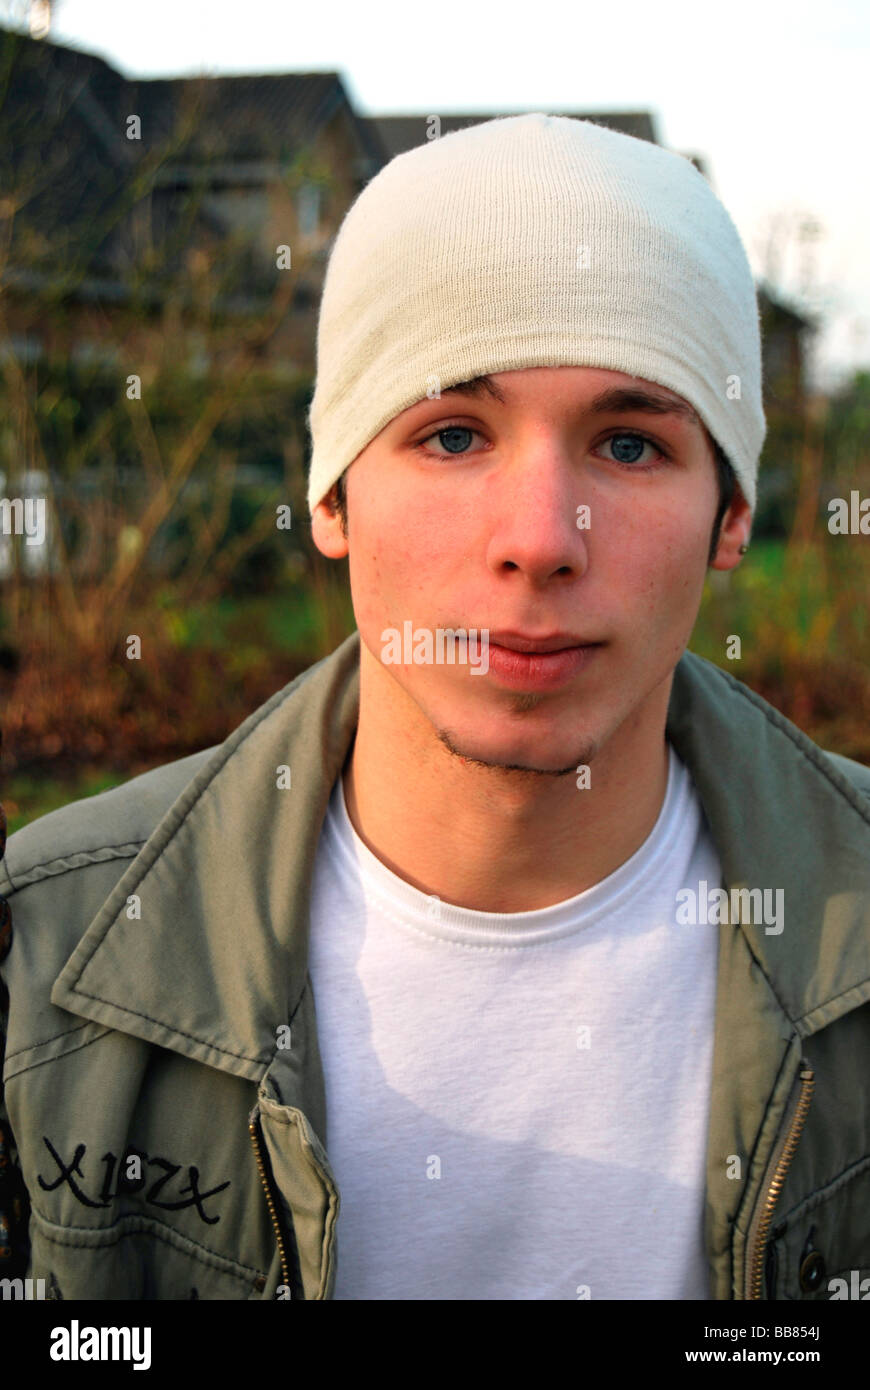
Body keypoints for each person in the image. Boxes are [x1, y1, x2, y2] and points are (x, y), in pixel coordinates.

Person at [1, 113, 869, 1302]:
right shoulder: (37, 960)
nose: (536, 541)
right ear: (332, 496)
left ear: (730, 516)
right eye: (452, 434)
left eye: (628, 444)